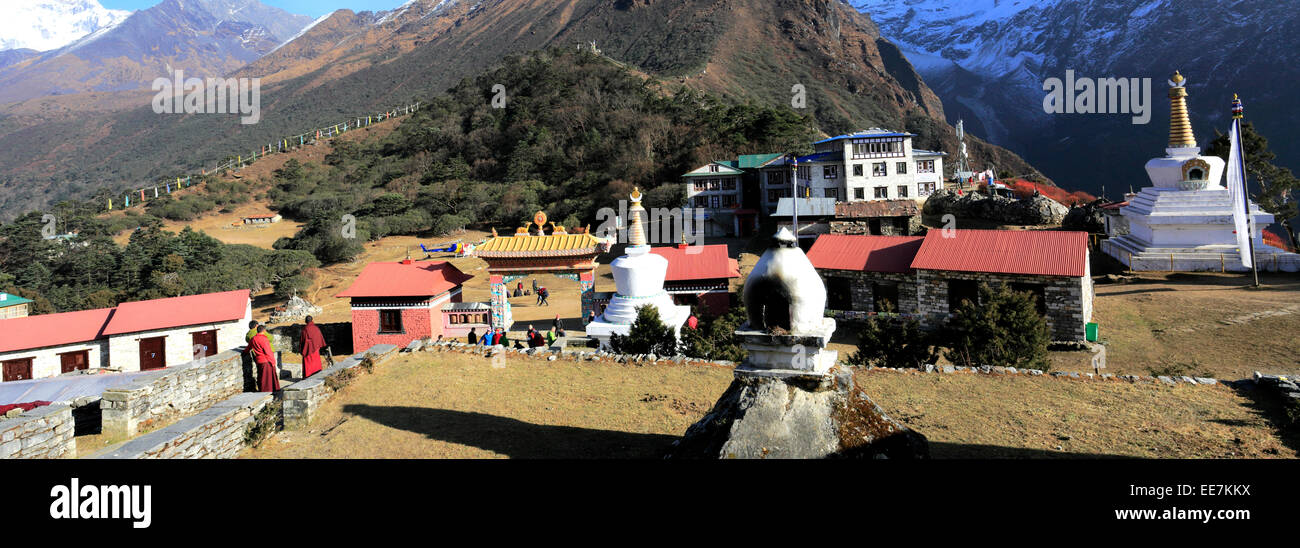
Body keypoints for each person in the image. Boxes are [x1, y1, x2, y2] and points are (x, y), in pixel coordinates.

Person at [249, 325, 280, 392]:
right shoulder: (264, 339)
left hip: (258, 360)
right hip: (266, 361)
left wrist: (245, 352)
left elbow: (248, 348)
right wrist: (273, 362)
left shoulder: (253, 338)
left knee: (261, 376)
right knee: (267, 378)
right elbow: (268, 352)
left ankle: (262, 389)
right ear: (264, 331)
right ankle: (266, 391)